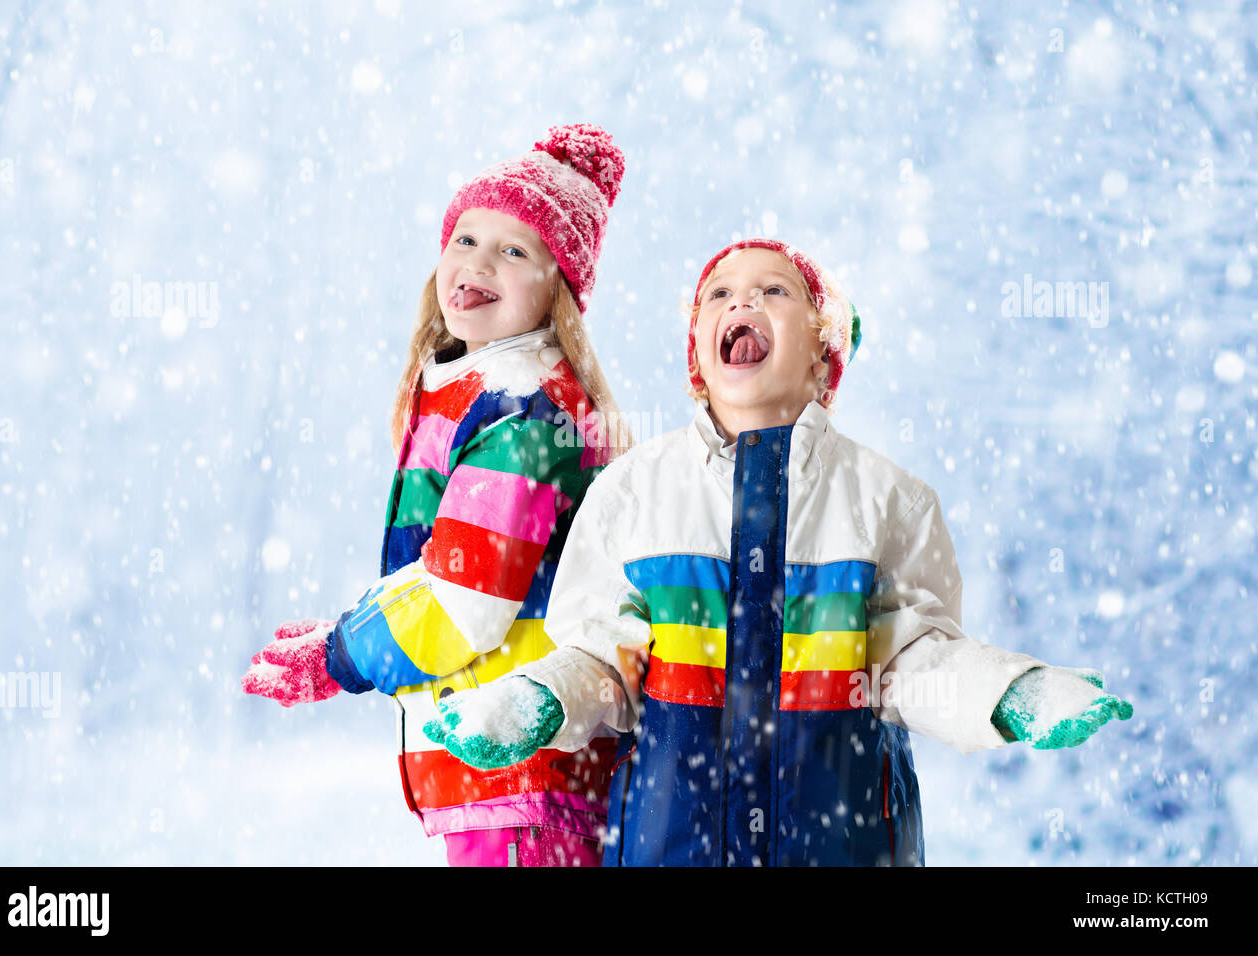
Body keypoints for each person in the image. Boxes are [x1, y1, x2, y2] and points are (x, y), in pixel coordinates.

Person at [423, 238, 1134, 867]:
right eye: (721, 295)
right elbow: (600, 656)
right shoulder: (633, 493)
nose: (745, 301)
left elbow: (915, 660)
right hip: (671, 845)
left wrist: (1008, 693)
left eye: (774, 291)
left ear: (824, 353)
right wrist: (535, 699)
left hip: (842, 845)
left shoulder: (887, 499)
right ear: (698, 355)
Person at [242, 124, 631, 867]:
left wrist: (343, 653)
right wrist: (353, 633)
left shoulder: (523, 412)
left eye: (515, 250)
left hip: (528, 775)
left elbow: (463, 603)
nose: (478, 260)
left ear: (560, 290)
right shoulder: (475, 393)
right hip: (508, 781)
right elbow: (453, 567)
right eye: (466, 238)